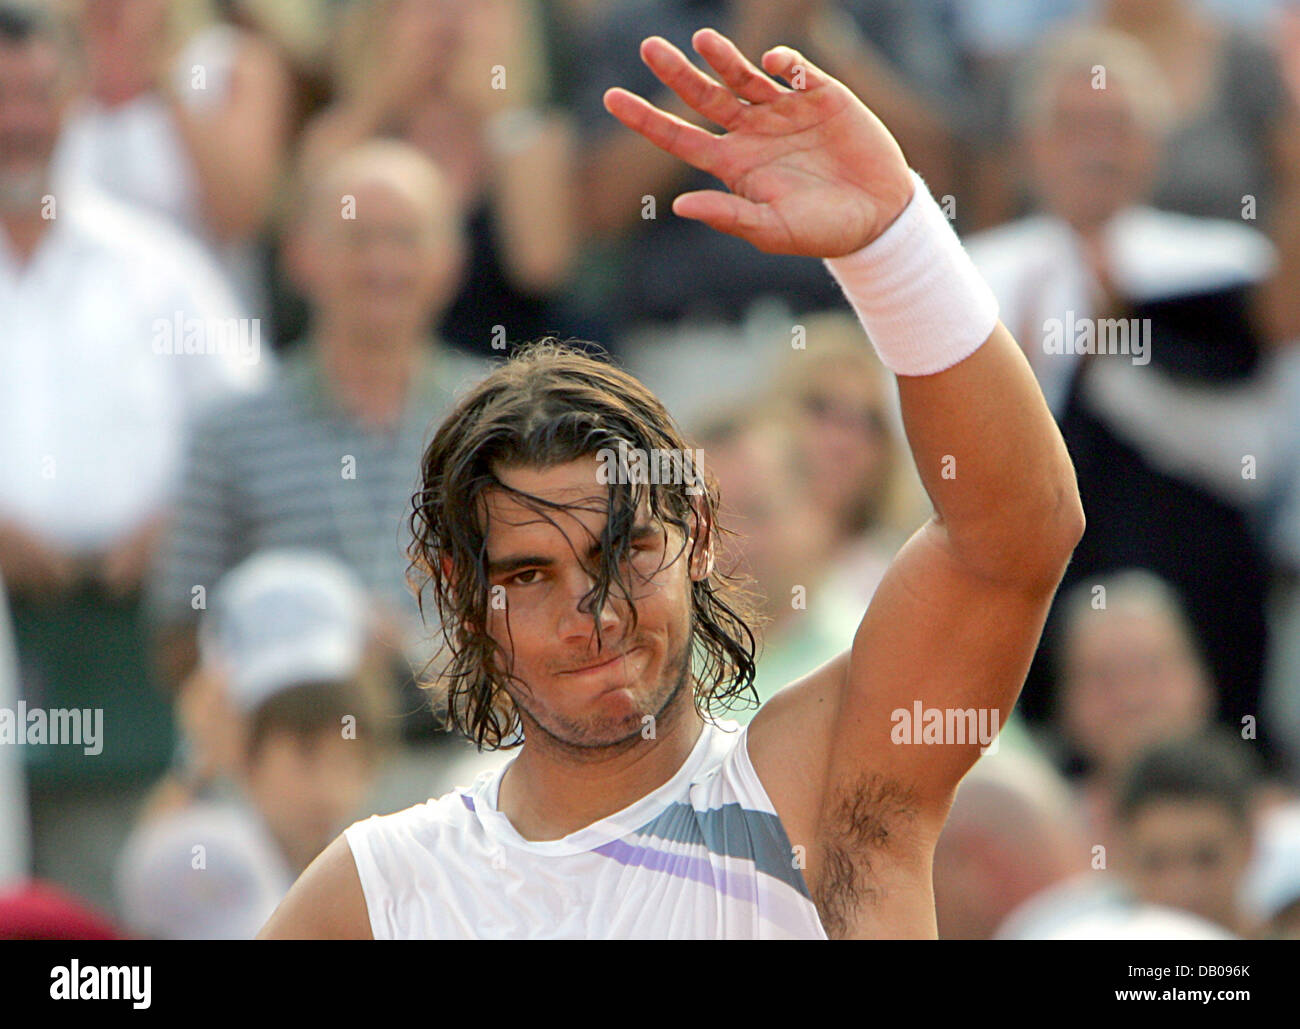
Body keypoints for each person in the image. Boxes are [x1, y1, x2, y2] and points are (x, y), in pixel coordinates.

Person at [260, 27, 1084, 940]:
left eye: (627, 548)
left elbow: (1018, 533)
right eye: (532, 574)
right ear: (465, 597)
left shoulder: (822, 786)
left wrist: (898, 246)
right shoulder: (379, 891)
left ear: (697, 533)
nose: (596, 608)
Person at [117, 550, 386, 940]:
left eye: (349, 760)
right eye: (305, 756)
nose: (331, 790)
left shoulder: (374, 854)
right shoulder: (197, 850)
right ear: (237, 740)